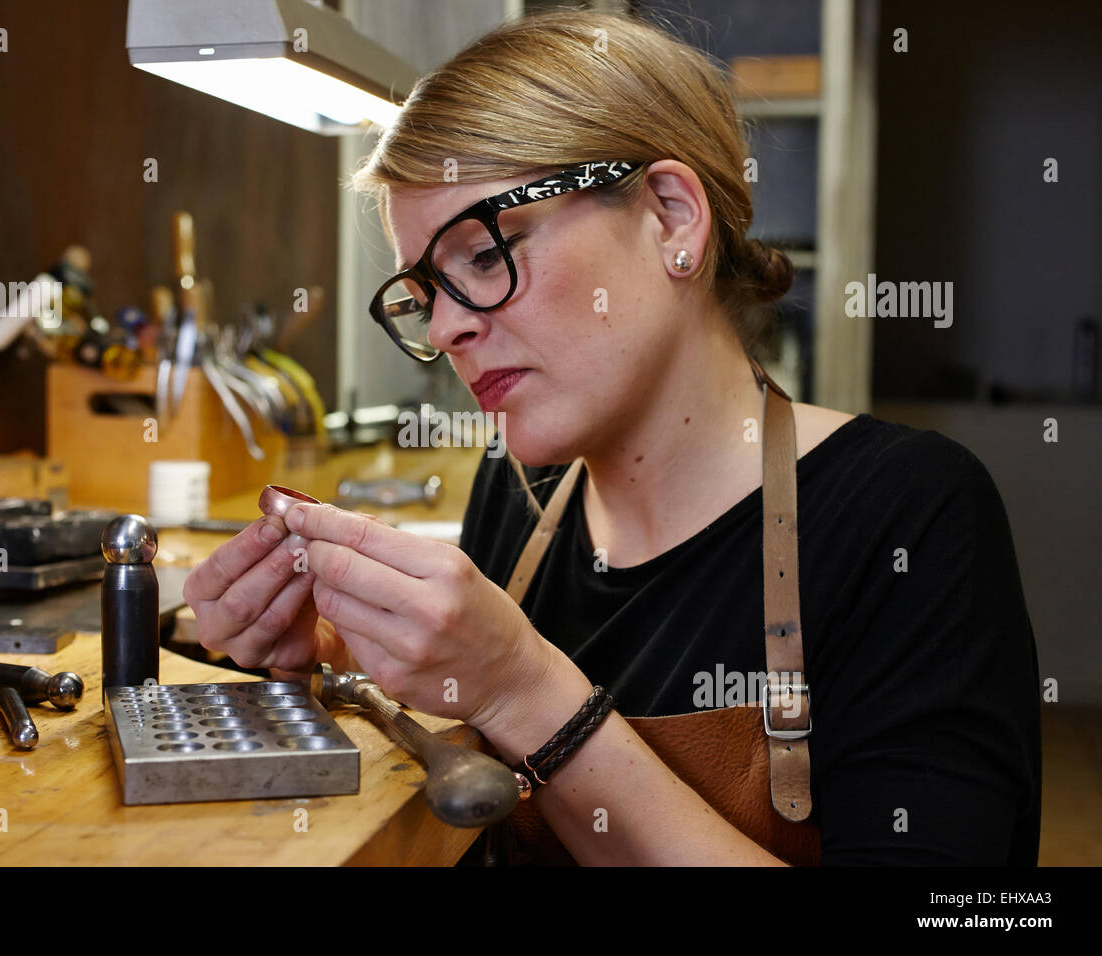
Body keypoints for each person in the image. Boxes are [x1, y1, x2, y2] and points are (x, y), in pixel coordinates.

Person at [181, 9, 1041, 865]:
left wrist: (526, 688)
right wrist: (347, 668)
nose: (445, 330)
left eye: (485, 256)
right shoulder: (518, 494)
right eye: (426, 291)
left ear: (671, 216)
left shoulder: (911, 516)